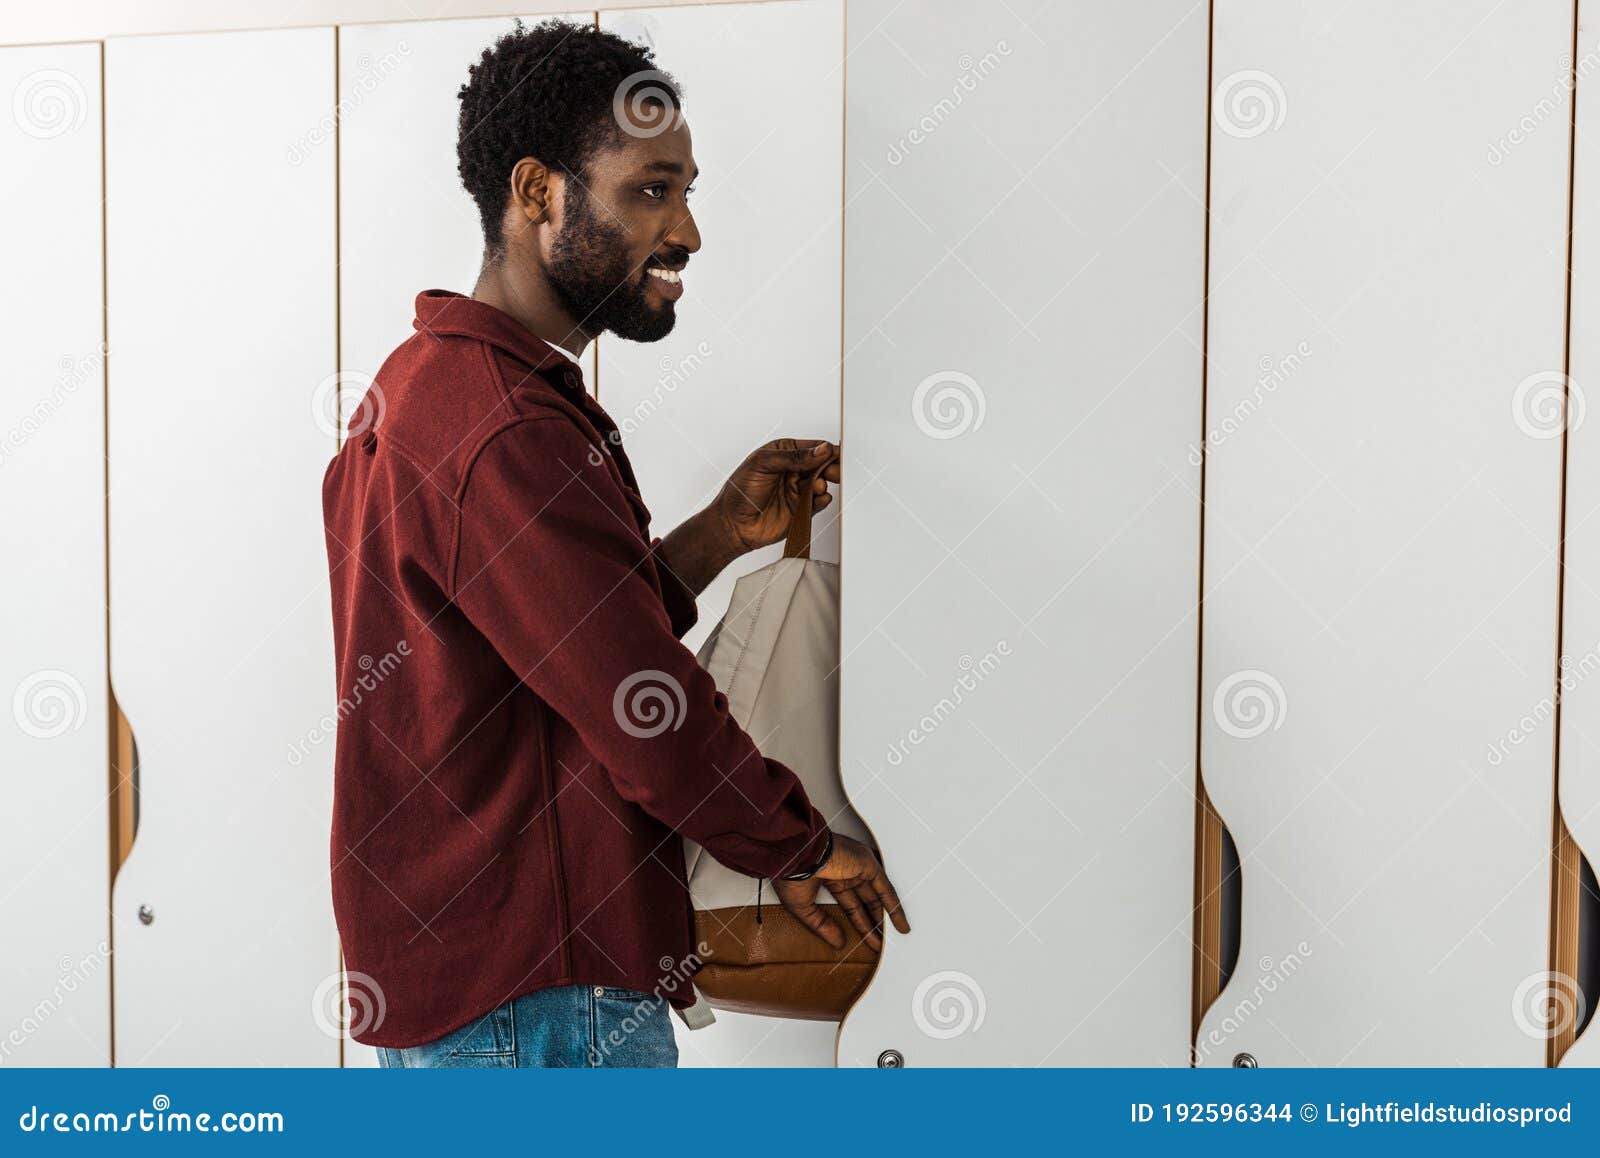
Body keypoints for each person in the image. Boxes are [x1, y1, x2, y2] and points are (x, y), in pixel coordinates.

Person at [320, 19, 908, 1069]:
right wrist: (801, 846)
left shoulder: (426, 392)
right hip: (540, 998)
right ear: (539, 193)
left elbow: (548, 649)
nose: (686, 231)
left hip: (476, 989)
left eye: (688, 192)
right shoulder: (506, 426)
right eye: (650, 189)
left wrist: (720, 534)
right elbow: (646, 713)